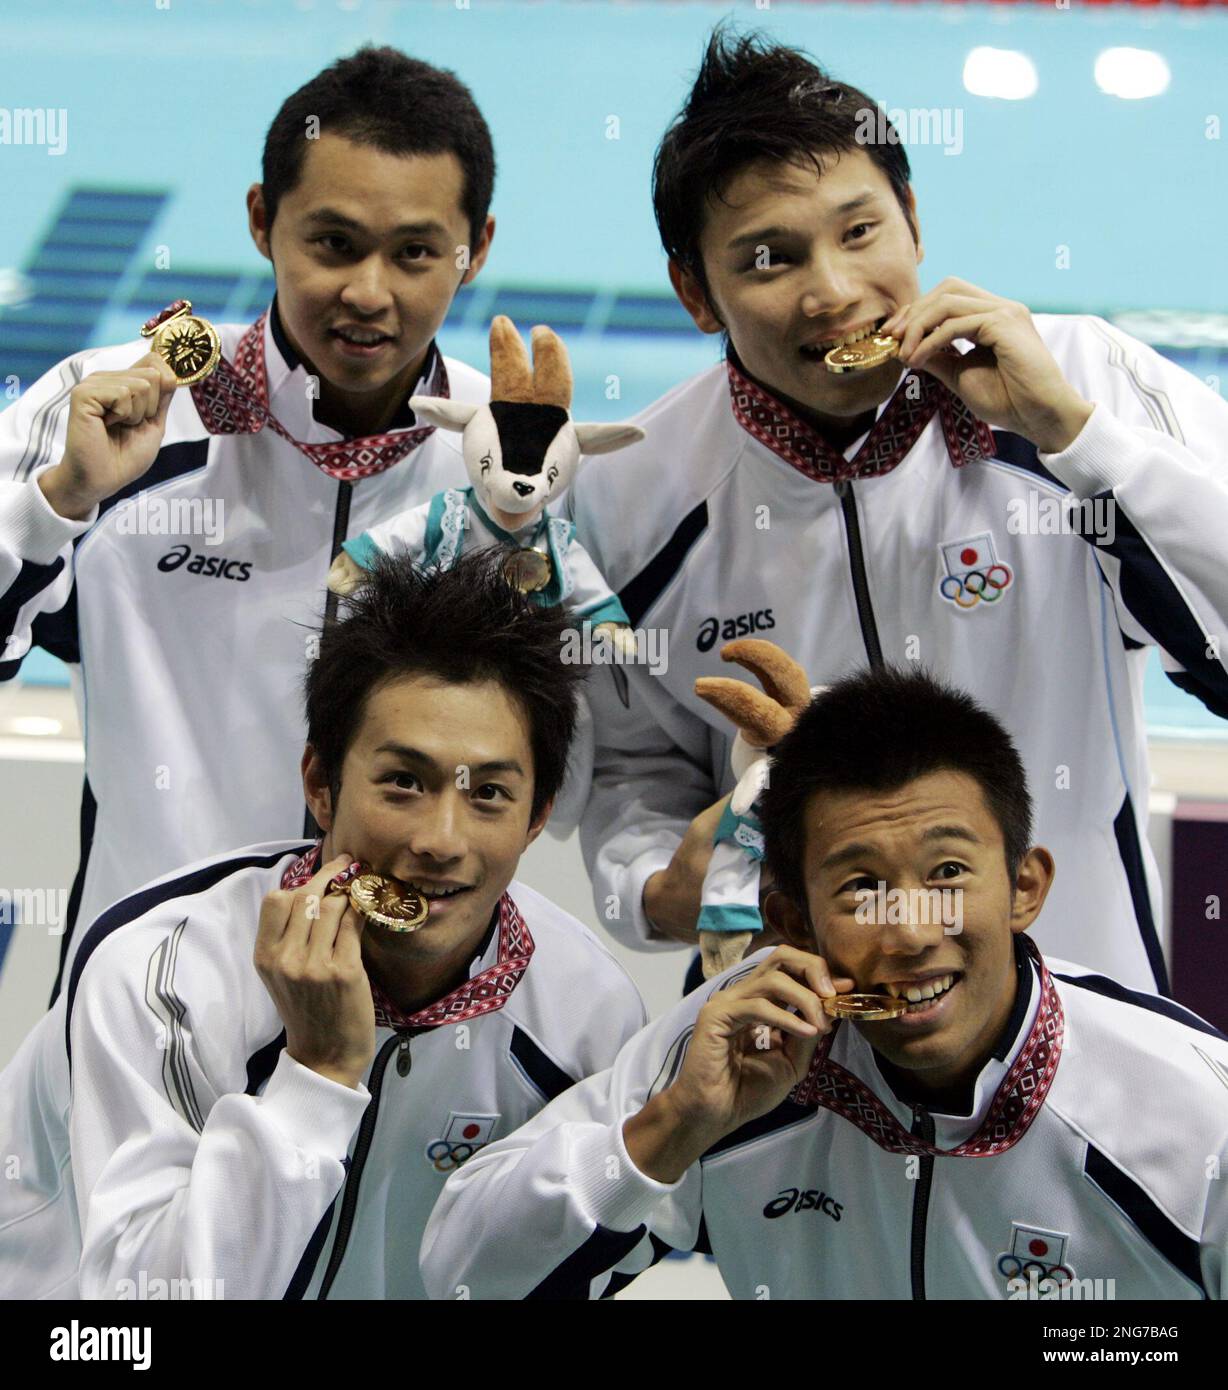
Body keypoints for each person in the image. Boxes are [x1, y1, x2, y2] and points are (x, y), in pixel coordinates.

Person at [567, 28, 1228, 994]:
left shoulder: (1087, 382)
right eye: (768, 259)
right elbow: (633, 771)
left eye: (860, 232)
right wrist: (659, 888)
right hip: (794, 1051)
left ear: (912, 218)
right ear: (694, 293)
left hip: (1081, 1021)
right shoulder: (630, 492)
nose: (834, 293)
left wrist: (1079, 439)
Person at [421, 668, 1228, 1301]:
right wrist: (674, 1127)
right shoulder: (736, 1049)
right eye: (860, 888)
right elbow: (462, 1272)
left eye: (948, 873)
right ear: (792, 921)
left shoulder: (1191, 1111)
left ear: (1025, 886)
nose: (911, 932)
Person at [0, 550, 645, 1300]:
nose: (441, 839)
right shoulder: (163, 974)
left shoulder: (589, 1016)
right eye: (404, 781)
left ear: (538, 816)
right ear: (321, 786)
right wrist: (317, 1075)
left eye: (489, 794)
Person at [0, 46, 496, 995]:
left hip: (409, 1030)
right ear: (263, 222)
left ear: (476, 249)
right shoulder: (110, 408)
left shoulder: (503, 466)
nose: (369, 292)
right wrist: (59, 502)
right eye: (334, 242)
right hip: (144, 1012)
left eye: (415, 253)